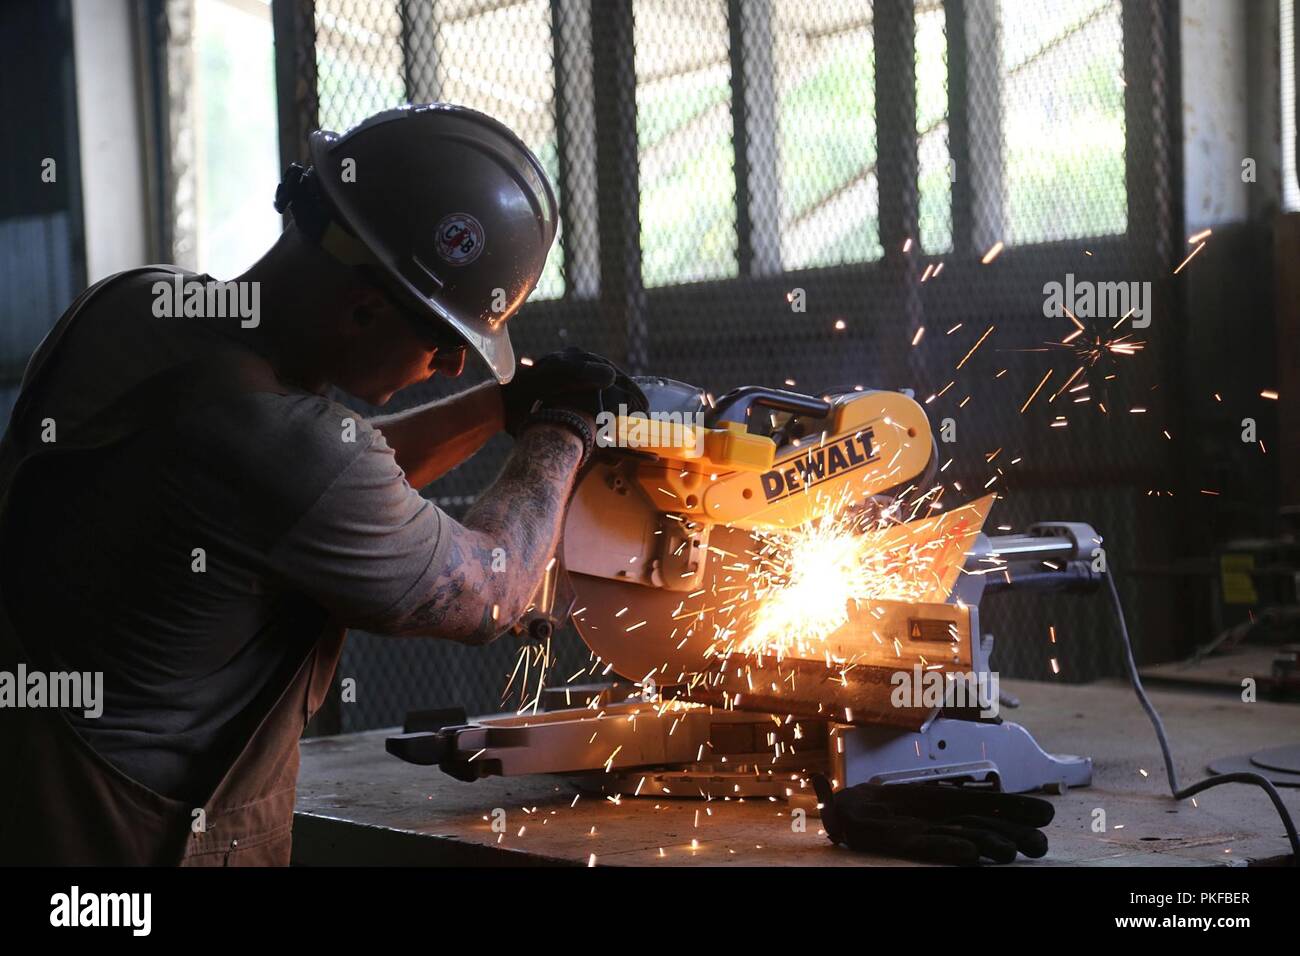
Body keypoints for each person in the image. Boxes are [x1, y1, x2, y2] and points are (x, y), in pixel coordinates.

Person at [0, 103, 641, 865]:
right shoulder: (285, 449)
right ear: (365, 309)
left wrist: (503, 405)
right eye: (445, 342)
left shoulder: (130, 306)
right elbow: (491, 592)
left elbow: (311, 493)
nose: (455, 366)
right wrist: (564, 430)